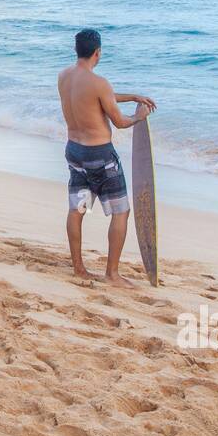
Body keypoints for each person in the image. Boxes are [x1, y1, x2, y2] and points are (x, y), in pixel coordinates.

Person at [57, 28, 155, 287]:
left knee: (77, 209)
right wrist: (139, 117)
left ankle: (79, 268)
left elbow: (94, 99)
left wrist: (132, 96)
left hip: (74, 152)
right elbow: (120, 121)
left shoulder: (64, 77)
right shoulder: (99, 83)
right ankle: (112, 274)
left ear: (77, 50)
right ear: (98, 53)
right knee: (120, 212)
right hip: (101, 156)